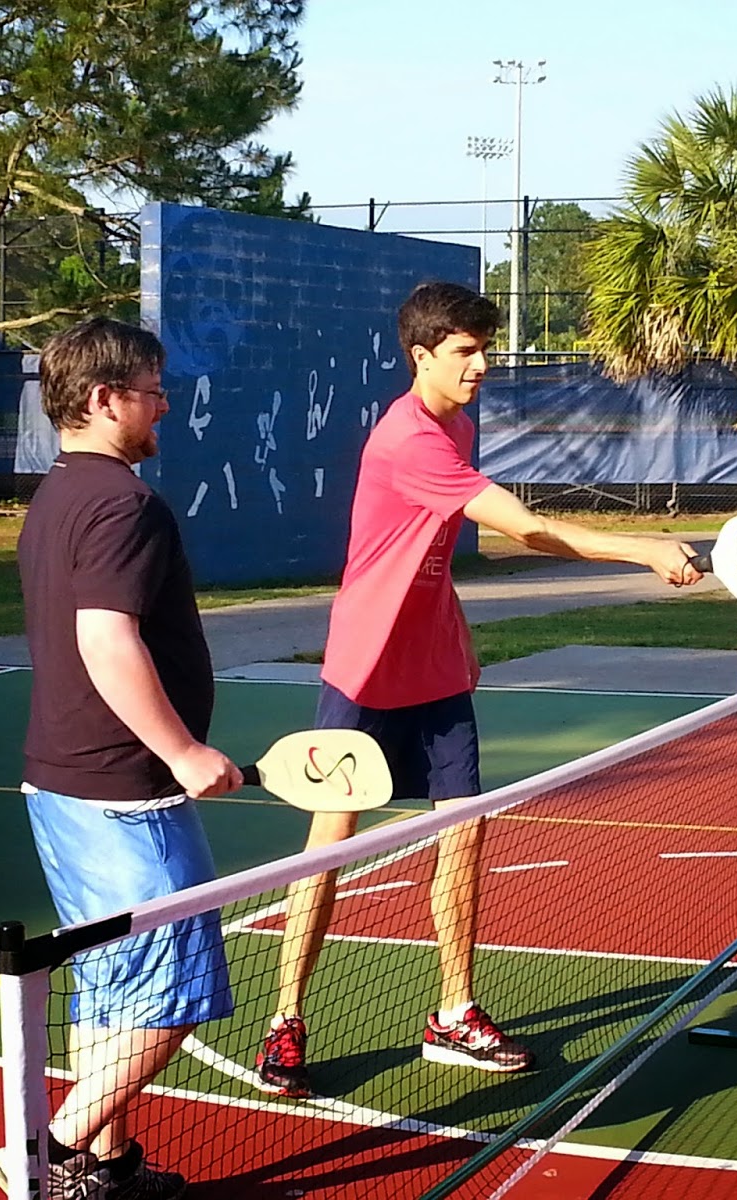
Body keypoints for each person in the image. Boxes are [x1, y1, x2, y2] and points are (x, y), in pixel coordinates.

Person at [253, 281, 703, 1097]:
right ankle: (285, 1019)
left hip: (438, 665)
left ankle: (453, 1012)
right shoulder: (407, 440)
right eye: (464, 351)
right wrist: (640, 548)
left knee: (464, 832)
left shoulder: (457, 423)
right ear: (420, 356)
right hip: (365, 667)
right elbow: (523, 528)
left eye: (484, 348)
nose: (482, 365)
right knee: (333, 848)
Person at [0, 316, 244, 1200]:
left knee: (116, 985)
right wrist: (180, 752)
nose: (164, 405)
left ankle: (104, 1169)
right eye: (151, 390)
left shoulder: (59, 493)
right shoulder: (124, 504)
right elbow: (105, 638)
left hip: (64, 781)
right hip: (121, 793)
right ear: (105, 400)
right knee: (175, 997)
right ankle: (46, 1152)